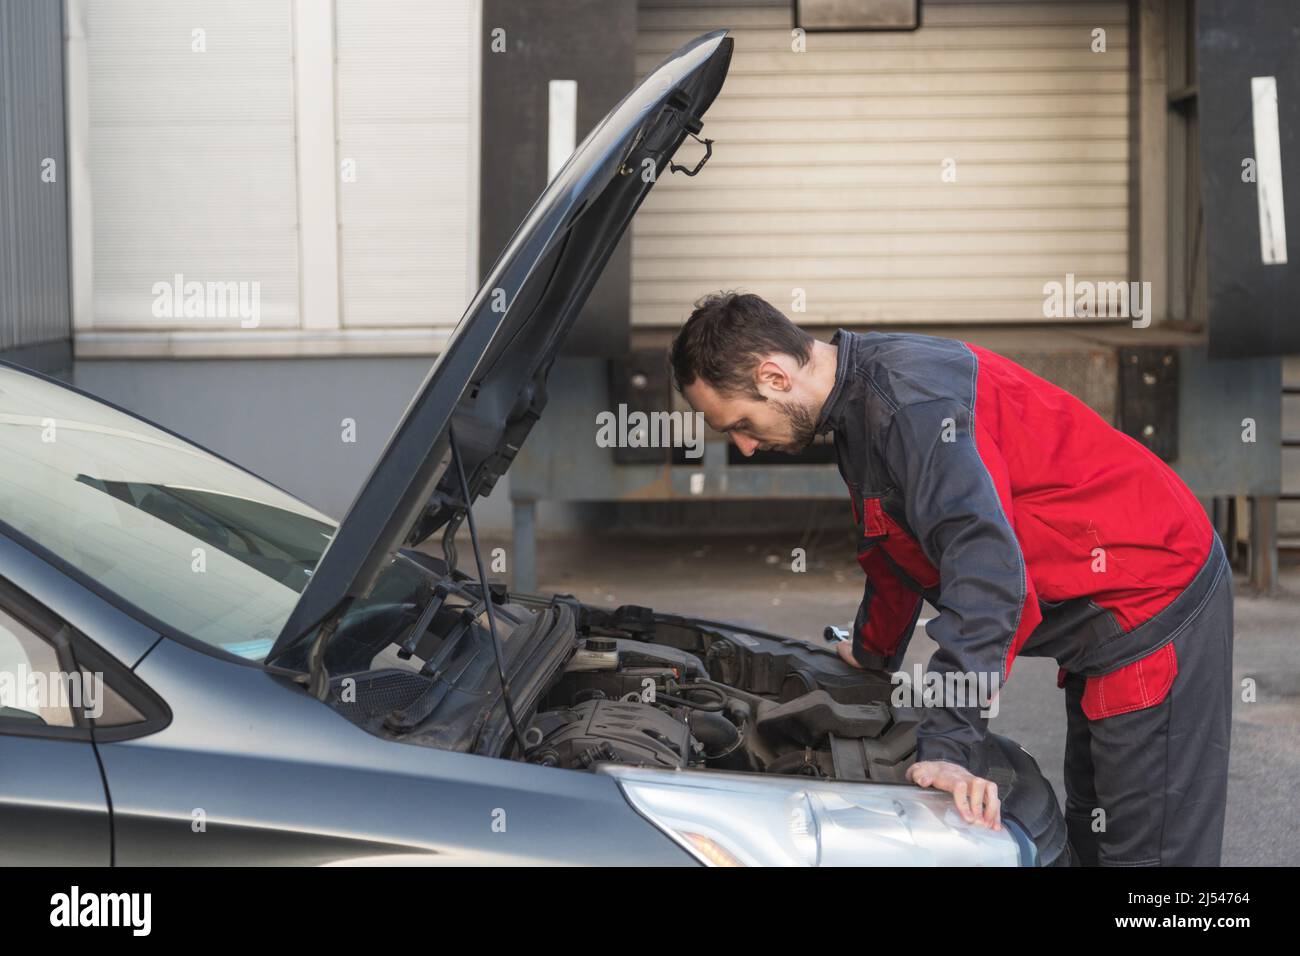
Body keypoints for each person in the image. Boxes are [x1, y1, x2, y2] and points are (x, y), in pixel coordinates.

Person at [669, 291, 1233, 866]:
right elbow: (890, 542)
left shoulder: (911, 406)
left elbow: (986, 573)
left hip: (1150, 598)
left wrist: (951, 747)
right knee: (1095, 823)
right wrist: (871, 651)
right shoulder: (859, 404)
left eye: (739, 422)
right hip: (1098, 609)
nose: (744, 444)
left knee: (1150, 856)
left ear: (774, 375)